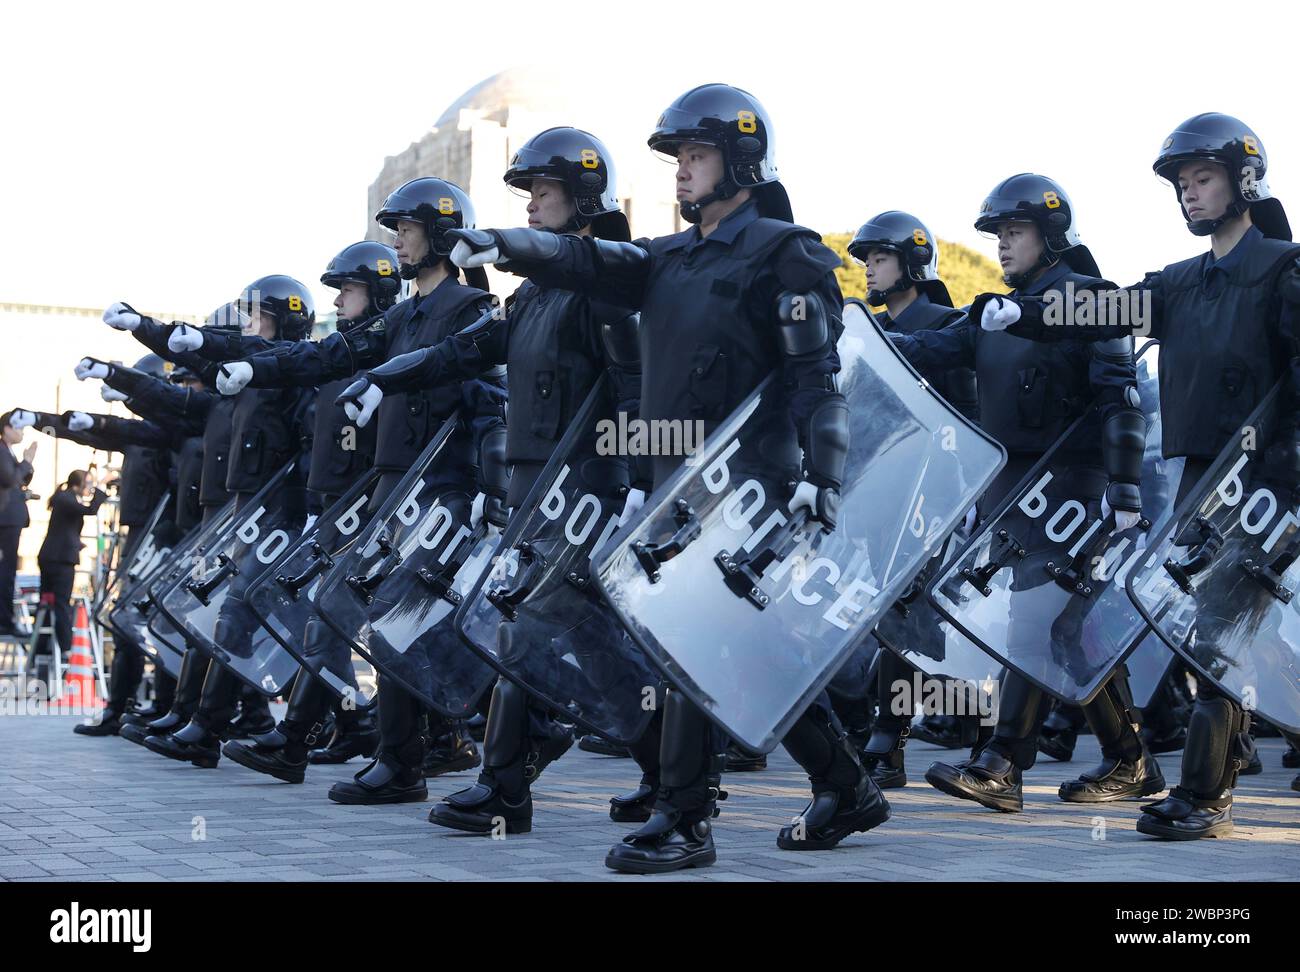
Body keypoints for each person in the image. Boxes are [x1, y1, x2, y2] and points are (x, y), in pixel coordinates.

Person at [446, 84, 890, 872]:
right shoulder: (669, 257)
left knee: (691, 648)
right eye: (678, 159)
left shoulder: (786, 251)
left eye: (694, 156)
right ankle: (844, 785)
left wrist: (822, 478)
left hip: (747, 486)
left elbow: (818, 380)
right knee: (739, 652)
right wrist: (509, 248)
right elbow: (594, 258)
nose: (680, 173)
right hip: (675, 489)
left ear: (741, 161)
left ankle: (685, 818)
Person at [977, 114, 1300, 836]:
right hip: (1200, 481)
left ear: (1245, 180)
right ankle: (1204, 770)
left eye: (1203, 179)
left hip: (1267, 486)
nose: (1189, 195)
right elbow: (1105, 305)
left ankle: (1204, 794)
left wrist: (1287, 473)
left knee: (1215, 634)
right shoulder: (1182, 283)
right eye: (1182, 185)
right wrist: (1023, 312)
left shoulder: (1284, 268)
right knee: (1218, 633)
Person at [334, 127, 648, 833]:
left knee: (528, 630)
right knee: (574, 640)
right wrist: (382, 378)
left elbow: (633, 389)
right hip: (536, 493)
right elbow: (459, 354)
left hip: (587, 490)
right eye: (529, 195)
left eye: (541, 192)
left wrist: (632, 487)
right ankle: (661, 770)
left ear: (581, 195)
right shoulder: (533, 297)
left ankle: (512, 782)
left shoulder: (601, 288)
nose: (531, 206)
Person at [213, 178, 506, 802]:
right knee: (379, 618)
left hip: (441, 486)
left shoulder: (470, 310)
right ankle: (417, 746)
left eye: (406, 228)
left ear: (441, 232)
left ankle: (409, 759)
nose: (397, 240)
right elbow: (328, 356)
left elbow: (489, 402)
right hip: (393, 489)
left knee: (399, 622)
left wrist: (485, 488)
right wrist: (255, 366)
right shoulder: (407, 314)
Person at [889, 173, 1163, 813]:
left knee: (1029, 624)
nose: (1003, 246)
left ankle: (1002, 763)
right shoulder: (989, 312)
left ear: (1050, 235)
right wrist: (854, 343)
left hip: (1071, 487)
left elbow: (1120, 397)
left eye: (1014, 233)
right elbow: (930, 348)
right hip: (1011, 489)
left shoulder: (1090, 298)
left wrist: (1123, 490)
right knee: (1064, 633)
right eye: (998, 235)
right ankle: (1131, 763)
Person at [35, 469, 107, 660]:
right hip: (59, 559)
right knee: (59, 602)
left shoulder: (65, 500)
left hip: (56, 556)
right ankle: (65, 646)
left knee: (49, 601)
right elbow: (90, 510)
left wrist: (76, 543)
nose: (90, 488)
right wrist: (100, 487)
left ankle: (43, 647)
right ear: (78, 484)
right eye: (88, 483)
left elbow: (66, 528)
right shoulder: (66, 499)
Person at [0, 411, 38, 638]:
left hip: (9, 518)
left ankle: (5, 619)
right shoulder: (2, 451)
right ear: (6, 428)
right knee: (6, 571)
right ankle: (5, 621)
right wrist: (27, 462)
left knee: (8, 571)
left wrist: (26, 465)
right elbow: (9, 478)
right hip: (5, 519)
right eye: (18, 427)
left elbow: (18, 479)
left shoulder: (8, 453)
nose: (21, 432)